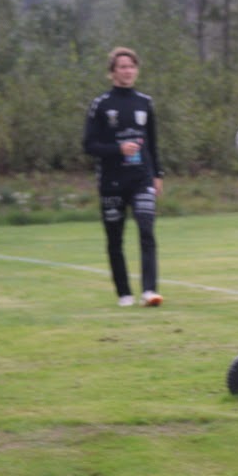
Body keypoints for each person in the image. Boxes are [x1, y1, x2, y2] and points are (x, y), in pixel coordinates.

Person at [83, 47, 164, 307]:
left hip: (141, 179)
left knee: (146, 230)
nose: (127, 71)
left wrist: (157, 174)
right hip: (112, 181)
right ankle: (124, 293)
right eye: (122, 67)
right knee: (115, 238)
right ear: (112, 72)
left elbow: (152, 143)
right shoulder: (101, 105)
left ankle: (150, 291)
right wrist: (118, 149)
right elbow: (89, 145)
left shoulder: (145, 102)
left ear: (136, 70)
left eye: (131, 66)